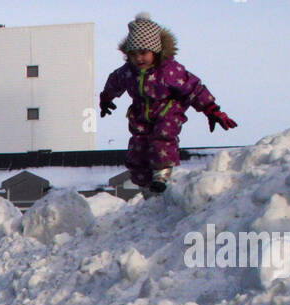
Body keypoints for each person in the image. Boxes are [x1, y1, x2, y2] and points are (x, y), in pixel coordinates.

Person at [98, 12, 236, 195]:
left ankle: (161, 175)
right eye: (133, 54)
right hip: (141, 113)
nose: (139, 59)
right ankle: (146, 186)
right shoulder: (127, 72)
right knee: (137, 149)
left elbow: (194, 88)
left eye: (143, 53)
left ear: (155, 51)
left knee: (161, 137)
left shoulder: (169, 71)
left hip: (168, 109)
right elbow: (113, 83)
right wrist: (106, 99)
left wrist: (212, 110)